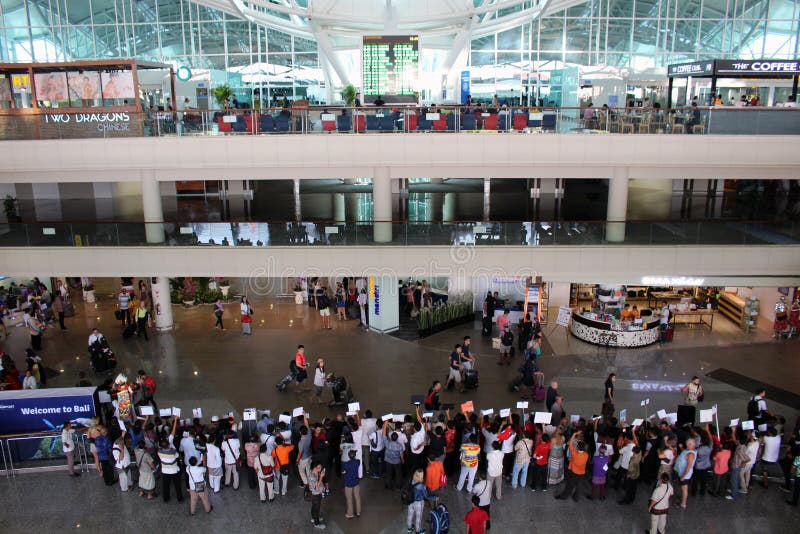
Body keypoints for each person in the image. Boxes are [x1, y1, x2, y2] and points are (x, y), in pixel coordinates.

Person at [555, 431, 589, 501]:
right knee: (579, 486)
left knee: (569, 485)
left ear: (577, 447)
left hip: (573, 472)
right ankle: (576, 498)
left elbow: (570, 443)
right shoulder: (586, 455)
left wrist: (574, 434)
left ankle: (564, 496)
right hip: (582, 473)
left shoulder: (574, 454)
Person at [158, 417, 183, 503]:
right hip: (174, 470)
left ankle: (166, 498)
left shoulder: (159, 452)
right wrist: (175, 420)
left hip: (165, 470)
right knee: (177, 485)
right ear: (168, 444)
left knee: (165, 485)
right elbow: (177, 456)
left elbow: (172, 433)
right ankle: (179, 498)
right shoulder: (172, 452)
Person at [407, 468, 438, 534]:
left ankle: (409, 528)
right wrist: (435, 498)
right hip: (418, 503)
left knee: (410, 515)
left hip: (410, 501)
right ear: (421, 476)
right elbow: (426, 496)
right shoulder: (421, 486)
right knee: (418, 517)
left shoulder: (411, 481)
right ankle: (418, 531)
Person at [675, 437, 696, 508]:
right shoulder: (688, 450)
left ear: (691, 445)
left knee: (684, 488)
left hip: (685, 474)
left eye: (688, 445)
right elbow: (685, 451)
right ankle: (682, 499)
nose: (687, 446)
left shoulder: (691, 454)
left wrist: (683, 476)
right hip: (681, 472)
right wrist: (681, 448)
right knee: (683, 487)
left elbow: (689, 466)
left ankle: (683, 503)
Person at [383, 425, 404, 489]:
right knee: (398, 474)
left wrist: (385, 425)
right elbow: (401, 454)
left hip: (388, 461)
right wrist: (402, 460)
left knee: (388, 473)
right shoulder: (399, 446)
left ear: (391, 437)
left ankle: (388, 485)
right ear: (397, 438)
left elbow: (383, 435)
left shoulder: (387, 443)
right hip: (396, 462)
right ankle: (399, 486)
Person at [343, 449, 362, 519]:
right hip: (356, 482)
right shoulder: (357, 462)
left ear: (348, 456)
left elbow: (344, 471)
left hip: (348, 483)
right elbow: (356, 460)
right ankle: (358, 511)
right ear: (354, 456)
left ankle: (350, 513)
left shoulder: (346, 464)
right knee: (357, 497)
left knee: (349, 498)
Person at [308, 461, 327, 529]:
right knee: (316, 509)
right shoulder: (312, 476)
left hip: (315, 494)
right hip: (316, 495)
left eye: (321, 467)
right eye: (319, 467)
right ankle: (317, 523)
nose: (320, 469)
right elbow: (317, 486)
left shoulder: (314, 472)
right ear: (314, 468)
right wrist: (321, 477)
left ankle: (314, 518)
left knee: (314, 507)